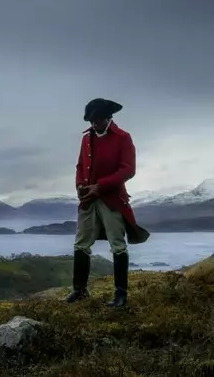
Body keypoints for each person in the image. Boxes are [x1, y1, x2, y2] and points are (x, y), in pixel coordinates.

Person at [66, 98, 150, 307]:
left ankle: (121, 294)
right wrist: (79, 185)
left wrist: (100, 186)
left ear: (108, 117)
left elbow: (128, 169)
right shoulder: (86, 139)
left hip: (111, 198)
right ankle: (79, 291)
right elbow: (79, 166)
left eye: (98, 120)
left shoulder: (123, 137)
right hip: (88, 199)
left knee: (117, 244)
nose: (94, 124)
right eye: (91, 121)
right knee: (81, 243)